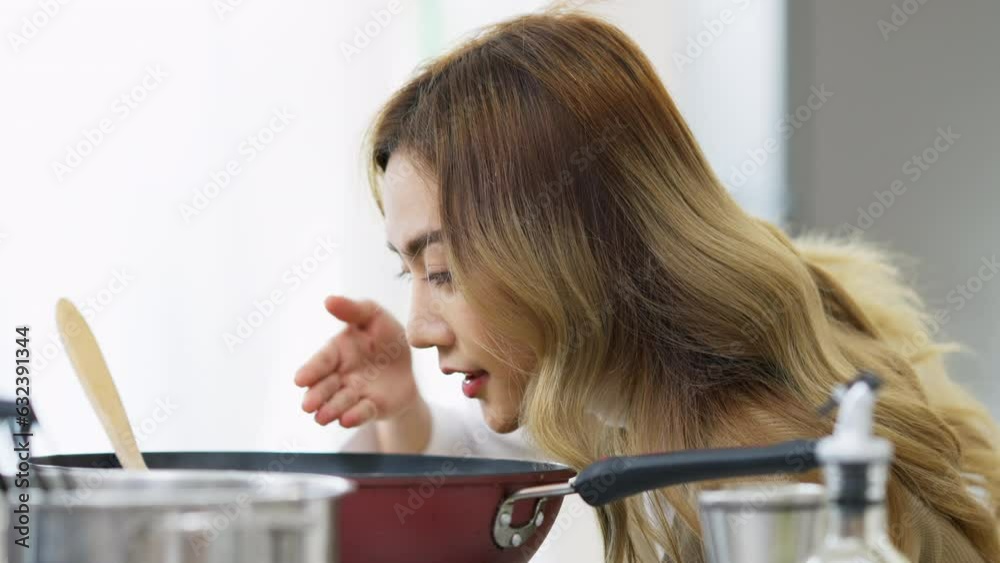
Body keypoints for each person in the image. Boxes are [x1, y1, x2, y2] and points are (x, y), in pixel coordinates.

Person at [293, 11, 1000, 563]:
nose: (418, 325)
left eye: (442, 271)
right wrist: (405, 411)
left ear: (564, 250)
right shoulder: (627, 384)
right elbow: (504, 450)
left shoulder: (759, 476)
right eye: (407, 271)